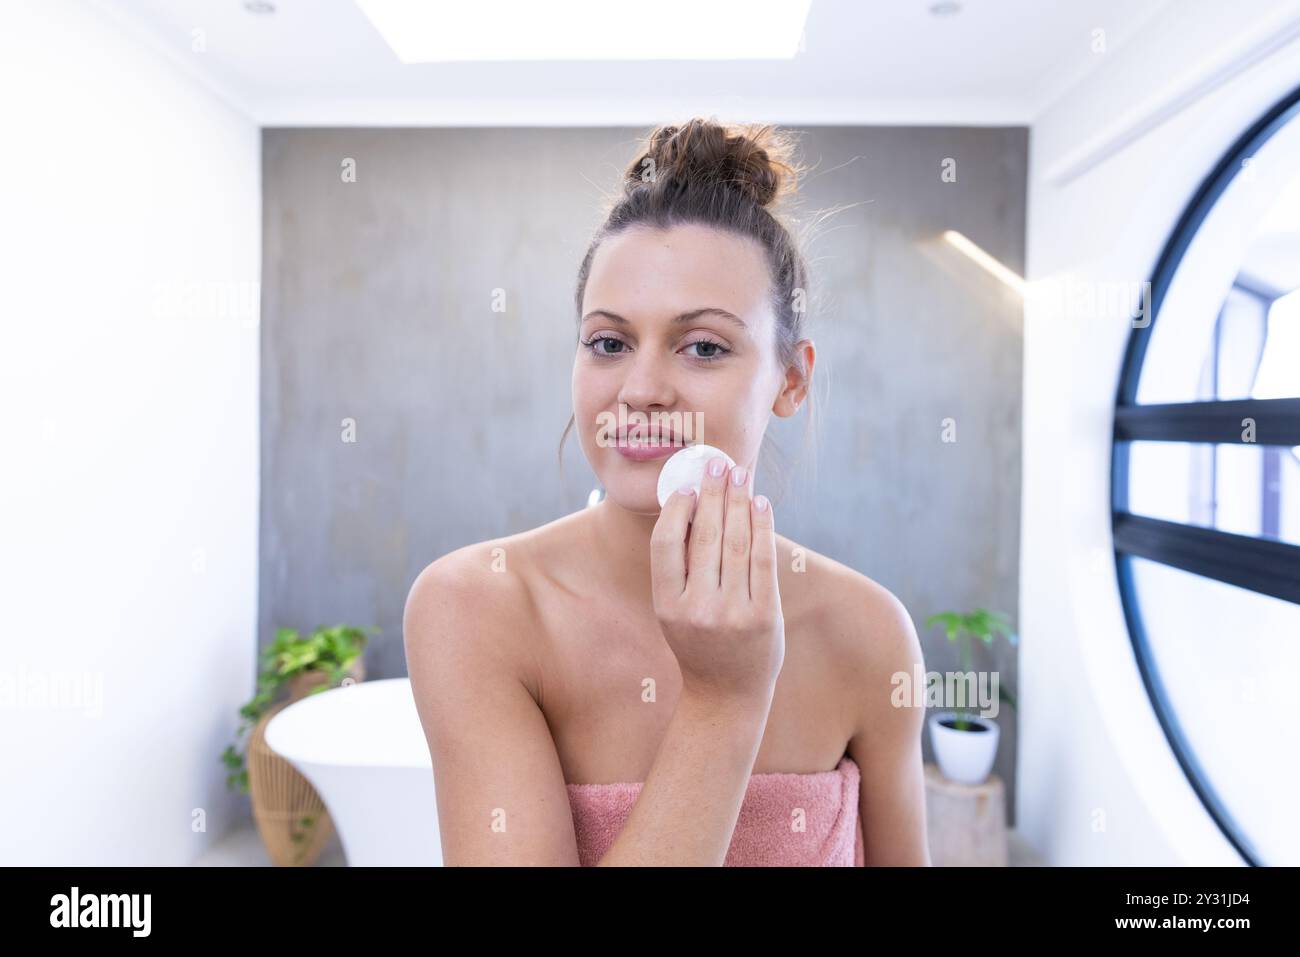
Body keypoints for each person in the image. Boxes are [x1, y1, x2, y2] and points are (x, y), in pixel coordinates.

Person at [403, 117, 930, 866]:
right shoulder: (477, 608)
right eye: (609, 343)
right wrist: (725, 702)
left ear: (792, 378)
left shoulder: (872, 633)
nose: (642, 390)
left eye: (704, 346)